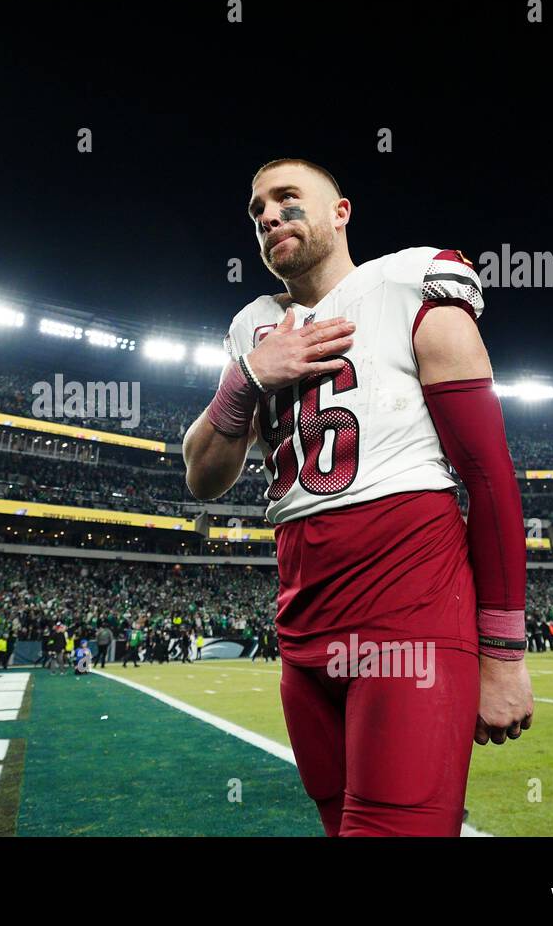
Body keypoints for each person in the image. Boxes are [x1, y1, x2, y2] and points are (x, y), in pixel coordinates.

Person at [182, 159, 532, 836]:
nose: (269, 216)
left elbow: (488, 476)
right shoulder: (255, 330)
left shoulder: (408, 283)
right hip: (301, 620)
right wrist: (251, 377)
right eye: (256, 211)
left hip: (408, 612)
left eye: (288, 198)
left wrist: (504, 654)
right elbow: (201, 476)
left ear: (341, 212)